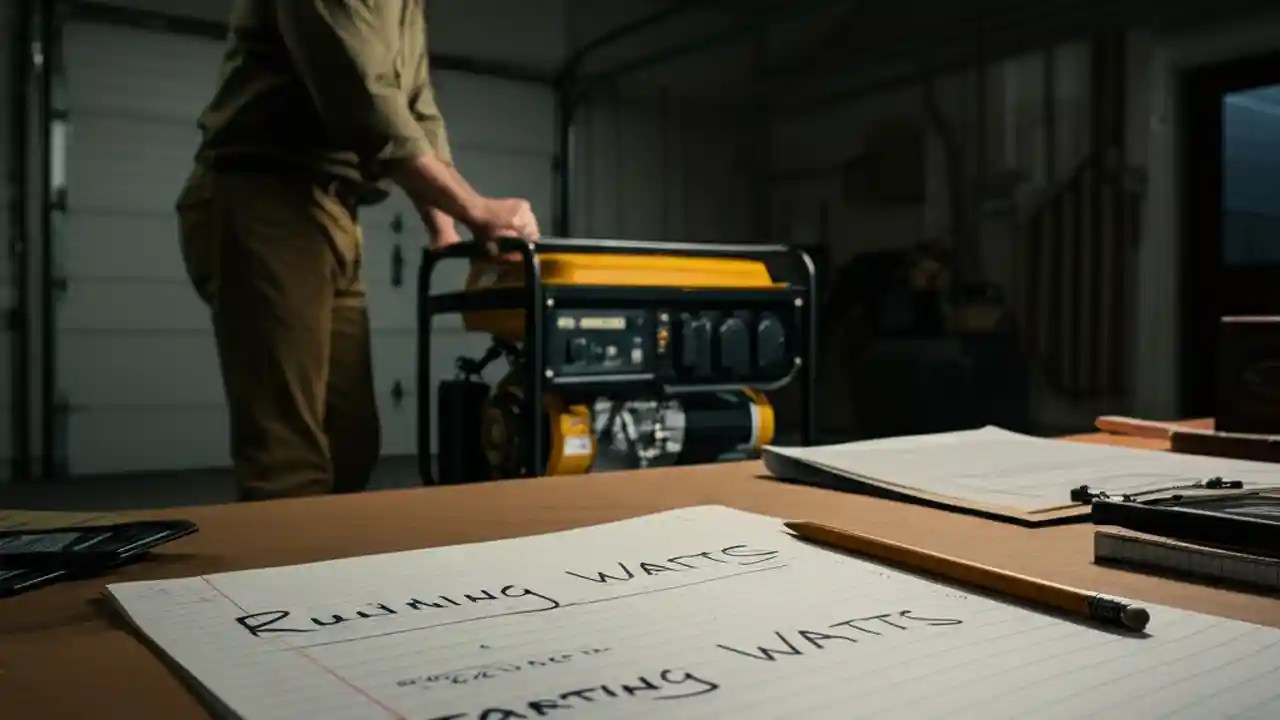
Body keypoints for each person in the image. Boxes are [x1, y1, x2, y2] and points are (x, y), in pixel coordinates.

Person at [175, 0, 540, 501]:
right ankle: (284, 574)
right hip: (266, 193)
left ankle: (327, 567)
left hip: (335, 207)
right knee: (288, 457)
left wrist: (445, 228)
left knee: (351, 440)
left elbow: (416, 109)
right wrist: (477, 209)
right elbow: (365, 103)